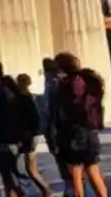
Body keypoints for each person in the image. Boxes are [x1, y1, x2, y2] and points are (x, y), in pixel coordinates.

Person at [51, 52, 110, 197]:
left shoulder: (65, 85)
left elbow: (63, 112)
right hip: (91, 132)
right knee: (94, 173)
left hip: (74, 135)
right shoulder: (88, 80)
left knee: (76, 179)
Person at [0, 60, 25, 197]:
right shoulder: (9, 88)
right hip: (10, 138)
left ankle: (18, 193)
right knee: (8, 174)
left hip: (3, 138)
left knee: (7, 175)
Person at [16, 73, 54, 197]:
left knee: (30, 168)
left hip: (28, 137)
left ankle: (45, 190)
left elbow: (33, 120)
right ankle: (44, 190)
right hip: (28, 136)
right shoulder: (28, 98)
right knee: (28, 168)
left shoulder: (24, 99)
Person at [40, 58, 74, 196]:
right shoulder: (62, 83)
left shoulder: (52, 85)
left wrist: (49, 131)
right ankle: (71, 188)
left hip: (58, 130)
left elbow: (50, 110)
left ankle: (71, 189)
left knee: (64, 162)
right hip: (64, 129)